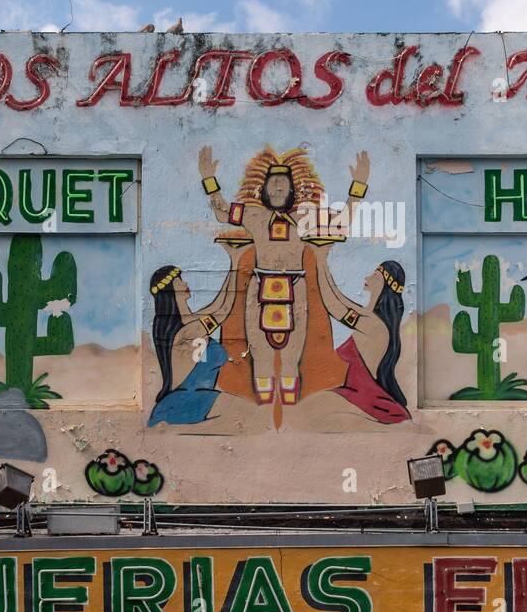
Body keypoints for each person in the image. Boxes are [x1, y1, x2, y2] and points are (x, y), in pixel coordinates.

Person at [197, 145, 368, 409]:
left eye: (283, 184)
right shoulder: (254, 215)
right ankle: (263, 413)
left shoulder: (305, 217)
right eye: (273, 183)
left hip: (295, 289)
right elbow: (222, 211)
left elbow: (342, 219)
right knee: (260, 353)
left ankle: (290, 417)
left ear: (292, 190)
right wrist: (208, 179)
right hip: (258, 290)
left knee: (291, 357)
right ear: (263, 189)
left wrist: (358, 185)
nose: (277, 188)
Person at [146, 244, 244, 426]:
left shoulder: (191, 322)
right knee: (252, 414)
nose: (185, 284)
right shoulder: (188, 332)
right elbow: (222, 310)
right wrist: (236, 263)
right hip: (186, 402)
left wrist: (235, 263)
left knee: (249, 414)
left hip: (198, 398)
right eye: (180, 281)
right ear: (172, 291)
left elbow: (218, 303)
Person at [311, 244, 410, 423]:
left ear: (383, 283)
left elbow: (334, 306)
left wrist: (319, 260)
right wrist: (321, 261)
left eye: (375, 275)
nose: (368, 277)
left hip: (362, 399)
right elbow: (338, 297)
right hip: (351, 394)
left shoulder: (373, 325)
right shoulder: (368, 317)